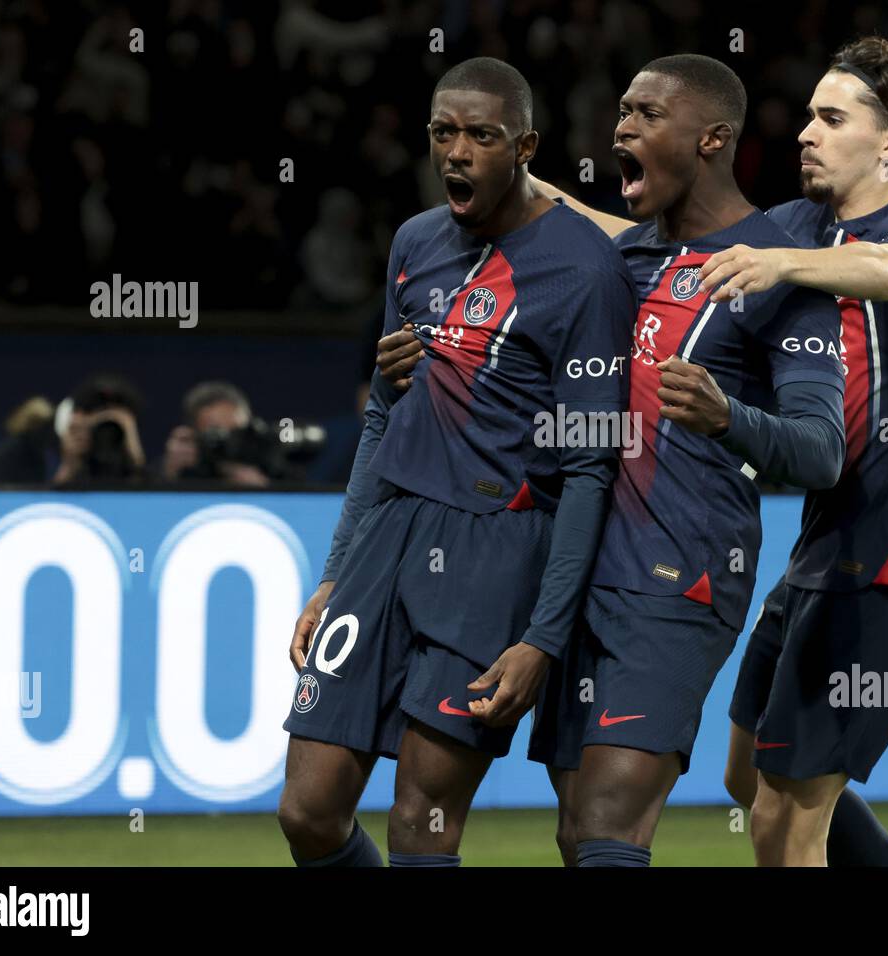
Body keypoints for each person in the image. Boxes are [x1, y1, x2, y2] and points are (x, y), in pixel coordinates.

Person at [380, 54, 846, 867]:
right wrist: (437, 364)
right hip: (569, 573)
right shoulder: (618, 261)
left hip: (677, 575)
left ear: (711, 138)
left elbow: (822, 451)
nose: (621, 127)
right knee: (577, 833)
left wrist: (728, 416)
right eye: (621, 110)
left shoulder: (774, 272)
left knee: (604, 824)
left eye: (645, 114)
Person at [527, 36, 888, 866]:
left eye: (832, 118)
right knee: (745, 778)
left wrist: (780, 262)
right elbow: (652, 240)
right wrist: (546, 200)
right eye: (808, 114)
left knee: (784, 820)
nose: (806, 131)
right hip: (821, 548)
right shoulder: (798, 225)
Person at [277, 57, 635, 868]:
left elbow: (589, 470)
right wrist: (336, 572)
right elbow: (380, 421)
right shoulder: (414, 244)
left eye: (483, 135)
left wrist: (543, 637)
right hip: (387, 539)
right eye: (445, 132)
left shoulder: (584, 270)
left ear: (525, 146)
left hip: (495, 549)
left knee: (423, 818)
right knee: (307, 810)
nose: (459, 152)